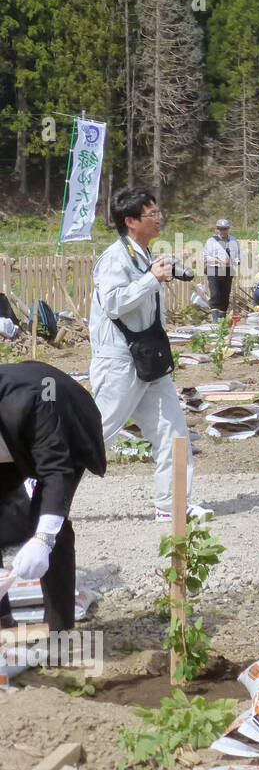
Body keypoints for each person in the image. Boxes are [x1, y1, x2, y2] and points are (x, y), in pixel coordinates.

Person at [90, 186, 210, 523]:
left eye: (159, 212)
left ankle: (171, 505)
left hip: (149, 359)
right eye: (151, 214)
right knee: (98, 435)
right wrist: (151, 278)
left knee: (174, 433)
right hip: (119, 362)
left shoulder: (144, 254)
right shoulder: (115, 258)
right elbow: (113, 303)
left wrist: (165, 270)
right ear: (130, 221)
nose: (159, 219)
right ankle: (38, 490)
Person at [0, 363, 106, 631]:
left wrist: (43, 539)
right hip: (11, 443)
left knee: (45, 520)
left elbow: (55, 472)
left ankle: (59, 633)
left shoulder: (34, 401)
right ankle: (2, 621)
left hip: (65, 421)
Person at [202, 219, 240, 321]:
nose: (223, 231)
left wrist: (236, 260)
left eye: (225, 229)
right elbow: (206, 258)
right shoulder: (211, 241)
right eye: (221, 229)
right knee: (215, 294)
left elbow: (237, 255)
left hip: (228, 270)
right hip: (214, 269)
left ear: (228, 229)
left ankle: (222, 321)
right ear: (217, 229)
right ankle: (215, 321)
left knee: (225, 296)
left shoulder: (233, 240)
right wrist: (220, 260)